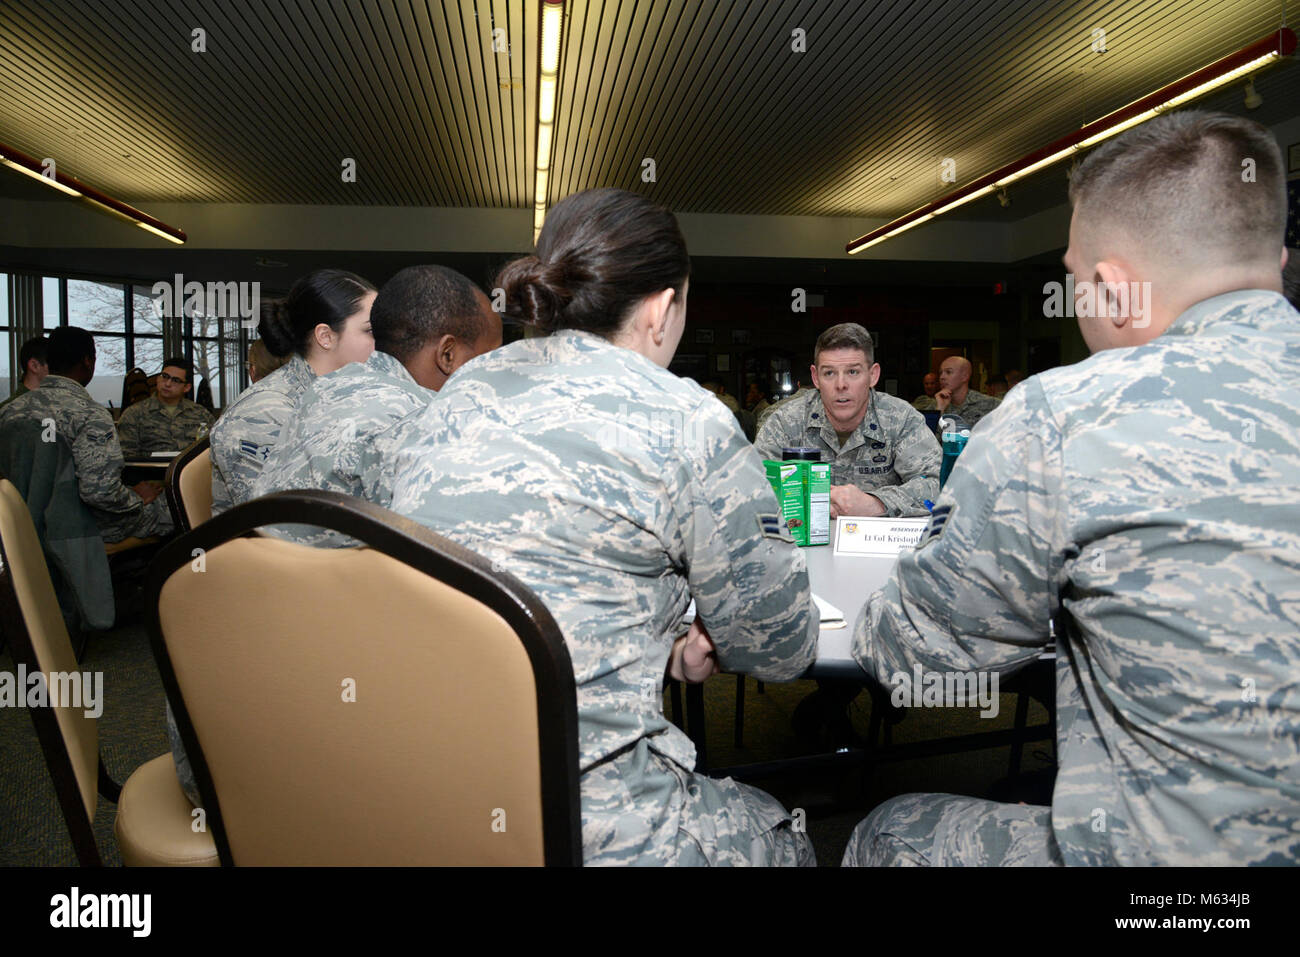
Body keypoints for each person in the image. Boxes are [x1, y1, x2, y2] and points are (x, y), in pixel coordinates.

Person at [843, 110, 1300, 866]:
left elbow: (915, 659)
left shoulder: (1066, 417)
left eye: (1075, 280)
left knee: (887, 831)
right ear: (1274, 257)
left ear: (1112, 289)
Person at [388, 187, 818, 866]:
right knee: (783, 832)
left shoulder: (457, 392)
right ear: (662, 308)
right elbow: (781, 648)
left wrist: (664, 634)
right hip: (586, 826)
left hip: (425, 798)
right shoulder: (687, 418)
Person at [252, 264, 502, 542]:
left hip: (262, 575)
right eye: (488, 359)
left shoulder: (326, 388)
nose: (494, 373)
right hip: (335, 580)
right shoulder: (422, 419)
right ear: (447, 355)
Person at [208, 270, 376, 514]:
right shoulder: (264, 412)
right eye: (370, 330)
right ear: (326, 337)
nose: (383, 342)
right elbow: (281, 523)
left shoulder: (345, 397)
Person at [0, 327, 171, 543]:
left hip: (21, 525)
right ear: (88, 361)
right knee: (173, 508)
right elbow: (100, 493)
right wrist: (136, 499)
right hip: (78, 530)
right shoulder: (91, 415)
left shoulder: (9, 410)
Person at [755, 323, 940, 518]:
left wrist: (876, 503)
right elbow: (751, 486)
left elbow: (938, 484)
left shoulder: (901, 419)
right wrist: (803, 502)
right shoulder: (785, 422)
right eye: (829, 373)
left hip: (876, 544)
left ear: (872, 375)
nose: (841, 385)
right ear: (815, 378)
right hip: (800, 545)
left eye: (853, 372)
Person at [114, 357, 214, 458]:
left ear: (186, 387)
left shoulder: (201, 414)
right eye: (165, 376)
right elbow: (127, 456)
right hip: (148, 471)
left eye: (176, 380)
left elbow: (212, 451)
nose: (167, 384)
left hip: (190, 472)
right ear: (158, 378)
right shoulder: (134, 414)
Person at [934, 356, 1000, 428]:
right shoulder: (936, 405)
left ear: (965, 376)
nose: (942, 377)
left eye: (948, 372)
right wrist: (940, 410)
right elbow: (930, 437)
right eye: (940, 373)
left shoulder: (990, 404)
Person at [2, 335, 48, 409]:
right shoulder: (7, 411)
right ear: (34, 366)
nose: (60, 370)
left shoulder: (60, 403)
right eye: (54, 364)